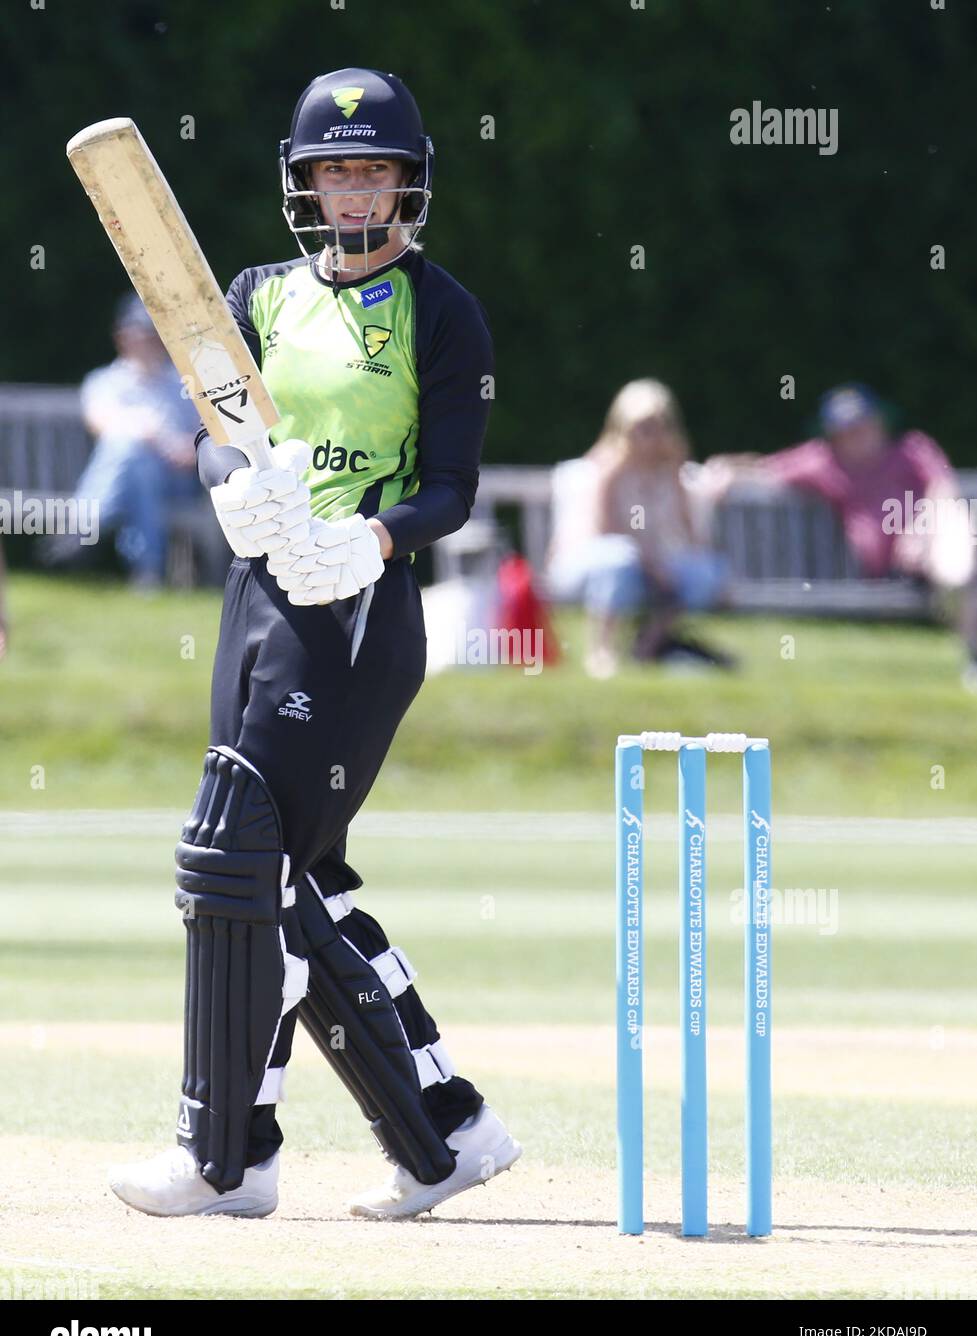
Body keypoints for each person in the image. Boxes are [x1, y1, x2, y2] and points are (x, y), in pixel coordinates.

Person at [108, 68, 521, 1221]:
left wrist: (370, 543)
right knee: (287, 884)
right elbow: (214, 431)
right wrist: (232, 486)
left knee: (234, 855)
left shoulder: (443, 313)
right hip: (259, 595)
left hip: (357, 610)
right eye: (334, 169)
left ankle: (220, 1154)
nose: (353, 189)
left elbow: (449, 489)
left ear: (406, 183)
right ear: (304, 183)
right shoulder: (256, 294)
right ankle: (442, 1128)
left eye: (373, 169)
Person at [758, 384, 977, 681]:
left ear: (879, 423)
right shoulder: (823, 462)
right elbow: (764, 469)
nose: (857, 435)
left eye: (862, 425)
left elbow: (942, 489)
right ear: (833, 434)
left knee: (954, 534)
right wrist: (722, 472)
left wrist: (919, 531)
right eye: (847, 430)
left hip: (932, 545)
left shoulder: (912, 450)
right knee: (961, 565)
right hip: (898, 571)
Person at [546, 379, 731, 678]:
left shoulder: (670, 471)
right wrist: (652, 565)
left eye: (660, 427)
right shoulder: (607, 470)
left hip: (648, 567)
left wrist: (712, 569)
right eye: (644, 427)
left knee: (697, 573)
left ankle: (646, 649)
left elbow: (690, 533)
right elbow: (607, 531)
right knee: (618, 560)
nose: (653, 436)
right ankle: (601, 653)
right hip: (590, 565)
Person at [64, 294, 200, 586]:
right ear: (122, 338)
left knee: (129, 452)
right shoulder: (102, 381)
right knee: (135, 460)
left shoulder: (185, 382)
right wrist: (144, 433)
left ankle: (86, 524)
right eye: (140, 335)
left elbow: (206, 435)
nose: (147, 343)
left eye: (153, 335)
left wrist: (192, 449)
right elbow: (98, 424)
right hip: (139, 475)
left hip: (179, 479)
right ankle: (147, 573)